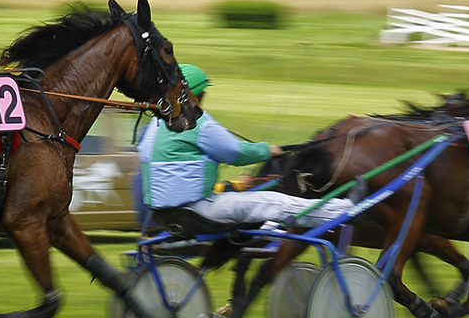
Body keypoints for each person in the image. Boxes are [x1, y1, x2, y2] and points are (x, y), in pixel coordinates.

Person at [141, 64, 354, 232]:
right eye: (203, 94)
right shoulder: (195, 121)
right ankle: (345, 211)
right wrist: (267, 151)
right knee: (275, 202)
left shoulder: (156, 122)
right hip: (198, 211)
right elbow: (235, 152)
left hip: (163, 213)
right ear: (193, 94)